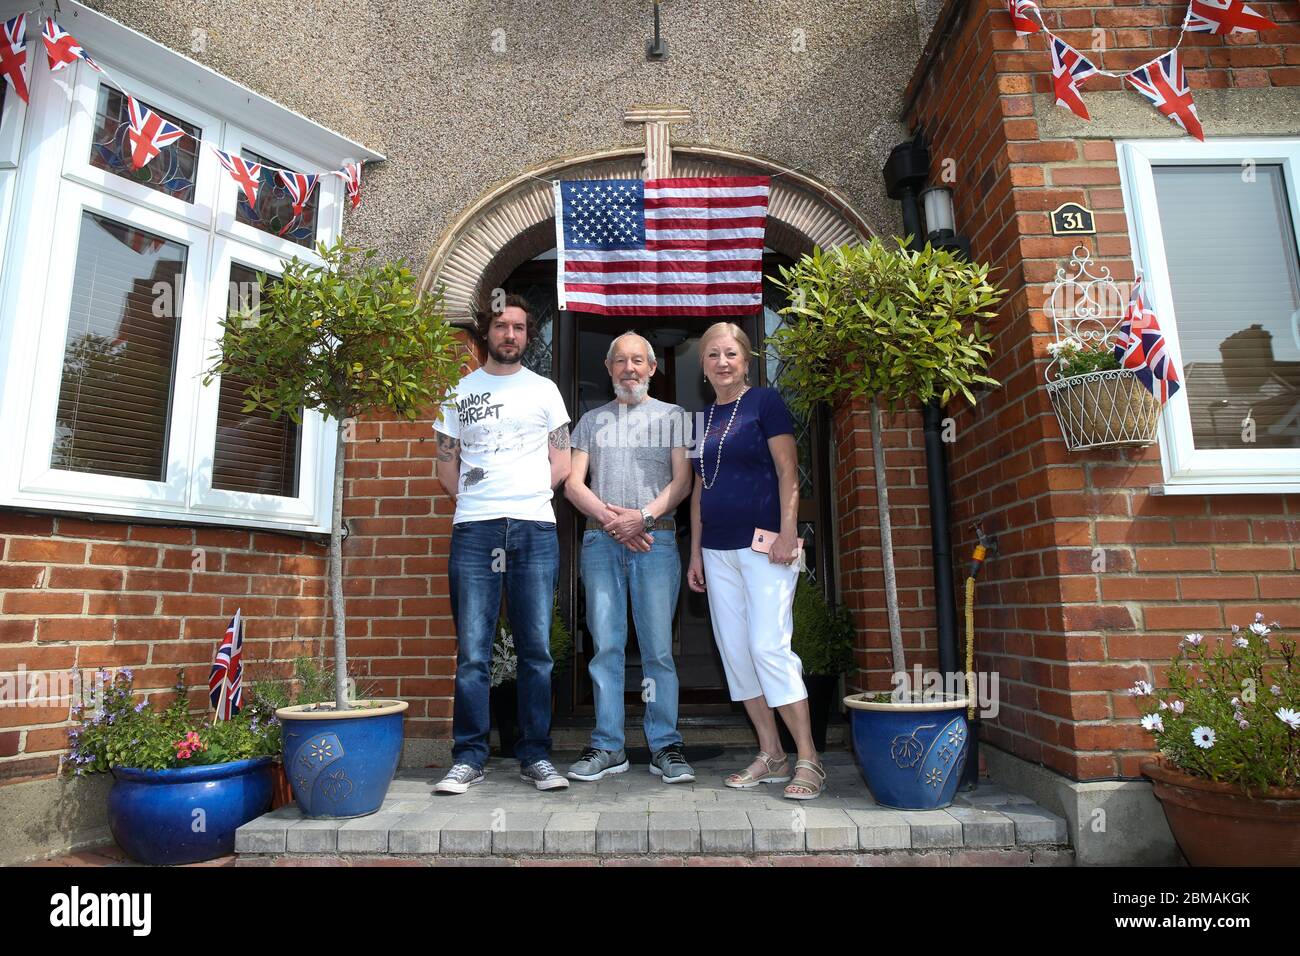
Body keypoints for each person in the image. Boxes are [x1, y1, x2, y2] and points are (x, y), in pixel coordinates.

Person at [432, 294, 572, 793]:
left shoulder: (545, 391)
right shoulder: (459, 391)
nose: (509, 335)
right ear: (486, 332)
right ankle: (468, 756)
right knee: (473, 651)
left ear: (527, 337)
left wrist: (525, 494)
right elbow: (446, 467)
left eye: (518, 327)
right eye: (500, 326)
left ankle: (535, 755)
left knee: (536, 650)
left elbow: (562, 464)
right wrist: (480, 499)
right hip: (475, 529)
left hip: (534, 528)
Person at [686, 321, 825, 799]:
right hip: (716, 550)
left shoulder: (765, 403)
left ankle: (808, 757)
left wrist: (789, 532)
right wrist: (695, 553)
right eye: (712, 356)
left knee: (769, 647)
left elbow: (788, 469)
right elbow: (701, 488)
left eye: (731, 354)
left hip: (766, 544)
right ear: (703, 366)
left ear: (746, 360)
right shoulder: (701, 420)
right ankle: (772, 753)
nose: (722, 362)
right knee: (737, 654)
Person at [563, 332, 695, 783]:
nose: (629, 369)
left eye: (638, 360)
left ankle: (665, 745)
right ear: (608, 367)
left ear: (653, 368)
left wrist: (641, 517)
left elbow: (682, 483)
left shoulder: (675, 416)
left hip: (654, 541)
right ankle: (607, 745)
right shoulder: (590, 421)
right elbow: (573, 484)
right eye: (621, 361)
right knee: (606, 649)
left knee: (658, 649)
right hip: (602, 543)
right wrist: (612, 520)